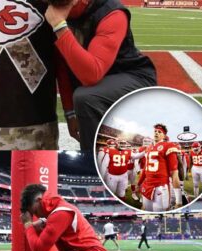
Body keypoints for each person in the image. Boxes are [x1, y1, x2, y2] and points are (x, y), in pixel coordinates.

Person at [45, 0, 157, 150]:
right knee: (86, 96)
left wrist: (59, 26)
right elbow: (62, 67)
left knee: (86, 97)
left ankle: (93, 164)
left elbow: (92, 73)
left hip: (133, 78)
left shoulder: (111, 13)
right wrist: (70, 113)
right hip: (99, 84)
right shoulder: (56, 10)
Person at [137, 124, 182, 212]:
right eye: (155, 131)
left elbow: (174, 174)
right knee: (146, 211)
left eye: (159, 132)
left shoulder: (168, 146)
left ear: (164, 135)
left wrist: (179, 200)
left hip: (160, 187)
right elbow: (145, 170)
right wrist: (139, 184)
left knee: (159, 215)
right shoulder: (149, 148)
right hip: (147, 185)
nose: (156, 133)